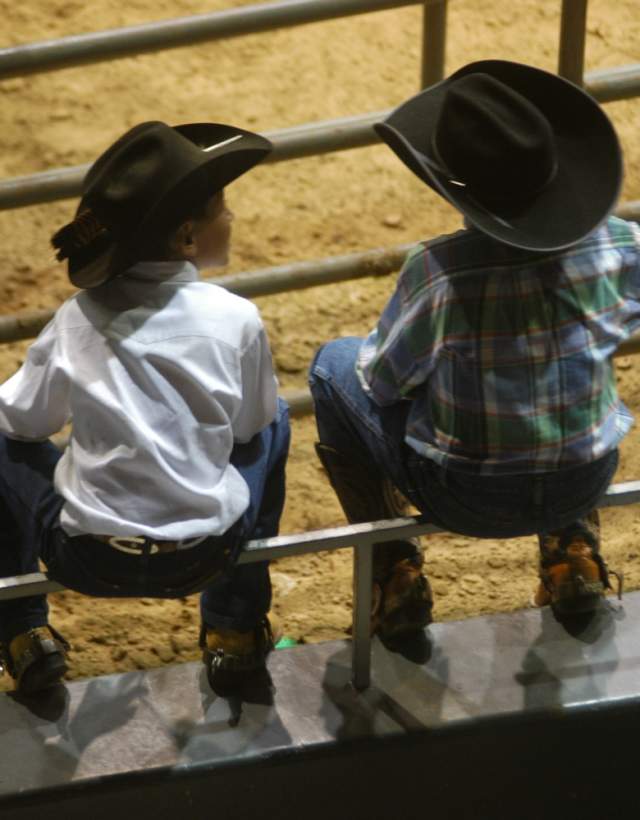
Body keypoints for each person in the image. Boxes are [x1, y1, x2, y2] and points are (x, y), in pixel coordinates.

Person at [309, 60, 637, 639]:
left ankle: (393, 571)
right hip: (585, 477)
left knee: (333, 365)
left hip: (467, 497)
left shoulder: (436, 272)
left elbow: (382, 382)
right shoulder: (619, 244)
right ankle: (573, 553)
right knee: (559, 377)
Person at [0, 120, 290, 695]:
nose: (231, 217)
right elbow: (249, 428)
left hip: (86, 559)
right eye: (221, 208)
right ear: (187, 236)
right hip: (206, 555)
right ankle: (234, 628)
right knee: (274, 419)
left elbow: (22, 422)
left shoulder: (78, 318)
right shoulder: (235, 317)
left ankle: (22, 632)